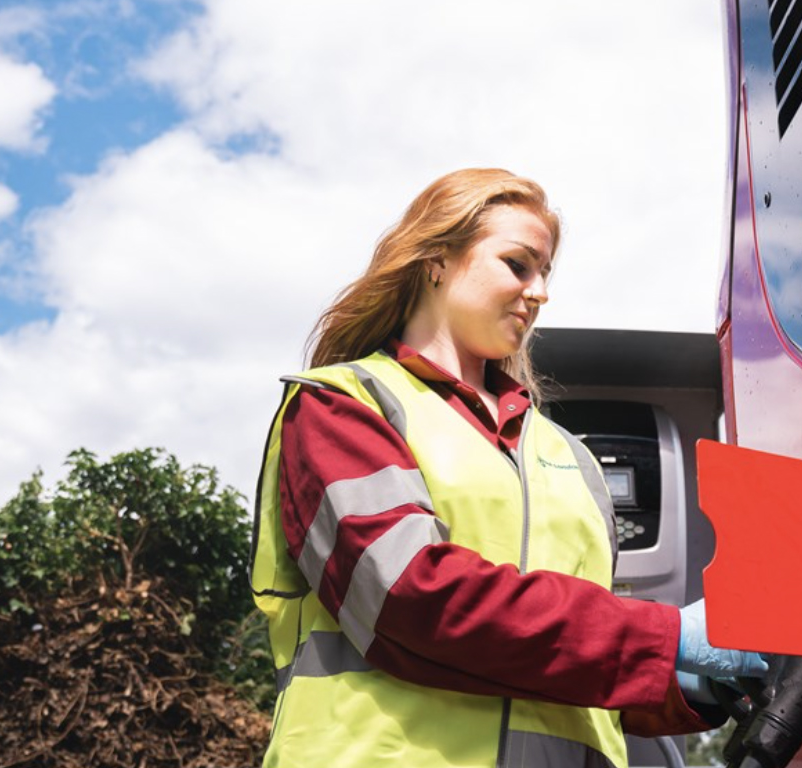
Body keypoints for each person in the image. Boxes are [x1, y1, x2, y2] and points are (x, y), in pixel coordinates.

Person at [250, 168, 767, 768]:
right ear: (436, 261)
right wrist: (670, 635)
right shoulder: (343, 406)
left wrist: (686, 686)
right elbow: (407, 598)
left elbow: (578, 661)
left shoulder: (570, 458)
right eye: (518, 265)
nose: (540, 291)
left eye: (545, 273)